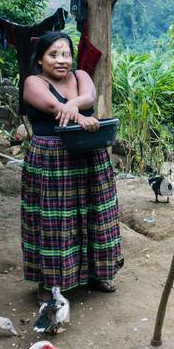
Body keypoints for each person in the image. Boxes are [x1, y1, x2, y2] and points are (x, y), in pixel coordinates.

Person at [20, 32, 122, 296]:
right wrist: (83, 119)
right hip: (51, 160)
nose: (61, 60)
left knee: (98, 215)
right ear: (40, 60)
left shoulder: (81, 77)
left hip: (90, 156)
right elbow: (55, 109)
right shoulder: (33, 82)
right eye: (53, 55)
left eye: (66, 54)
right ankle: (50, 283)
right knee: (55, 221)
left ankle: (99, 274)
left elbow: (88, 96)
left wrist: (76, 104)